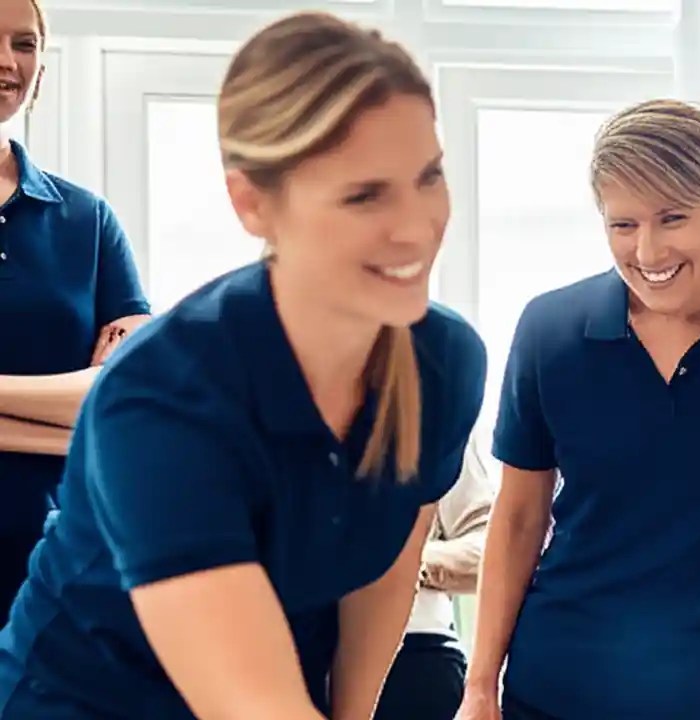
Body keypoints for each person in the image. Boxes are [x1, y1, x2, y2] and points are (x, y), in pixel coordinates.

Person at [0, 11, 485, 719]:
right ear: (253, 204)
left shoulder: (443, 360)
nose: (415, 225)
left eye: (428, 176)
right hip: (83, 696)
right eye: (363, 194)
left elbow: (386, 573)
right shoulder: (164, 393)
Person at [456, 100, 700, 720]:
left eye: (672, 218)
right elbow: (519, 518)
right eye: (623, 225)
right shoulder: (549, 331)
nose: (648, 251)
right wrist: (479, 687)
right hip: (550, 694)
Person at [0, 0, 149, 628]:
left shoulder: (86, 220)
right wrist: (55, 423)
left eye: (25, 44)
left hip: (51, 563)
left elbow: (121, 397)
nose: (9, 61)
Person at [377, 434, 493, 720]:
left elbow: (488, 548)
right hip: (287, 646)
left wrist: (401, 564)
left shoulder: (443, 416)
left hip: (417, 651)